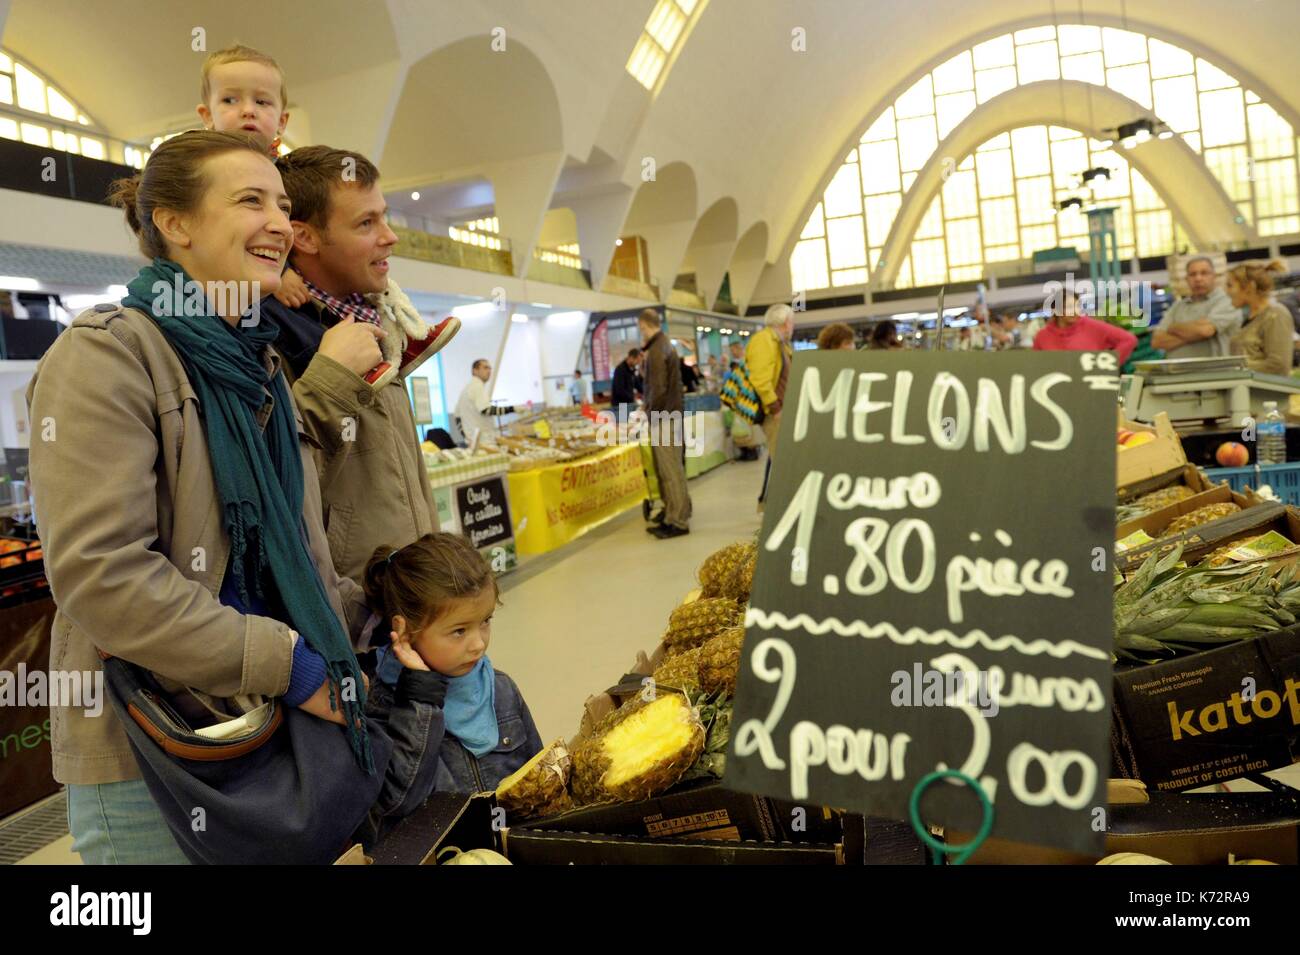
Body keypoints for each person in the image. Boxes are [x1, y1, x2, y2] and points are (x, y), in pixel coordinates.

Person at [26, 131, 374, 864]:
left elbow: (298, 556)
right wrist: (294, 664)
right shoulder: (107, 353)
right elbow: (104, 578)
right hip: (157, 756)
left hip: (269, 733)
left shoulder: (259, 365)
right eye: (250, 200)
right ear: (174, 223)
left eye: (283, 203)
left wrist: (380, 621)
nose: (280, 221)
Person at [261, 145, 446, 585]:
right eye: (366, 223)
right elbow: (275, 478)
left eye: (383, 216)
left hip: (414, 595)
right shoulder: (269, 334)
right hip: (353, 610)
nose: (390, 236)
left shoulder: (381, 320)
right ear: (303, 237)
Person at [360, 533, 541, 834]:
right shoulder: (379, 703)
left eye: (485, 621)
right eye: (459, 631)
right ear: (404, 630)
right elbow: (397, 802)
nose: (478, 645)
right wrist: (420, 694)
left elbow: (539, 777)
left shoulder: (501, 689)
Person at [639, 308, 692, 538]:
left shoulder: (658, 349)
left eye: (641, 329)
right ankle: (676, 513)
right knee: (673, 469)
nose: (641, 334)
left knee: (670, 470)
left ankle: (678, 521)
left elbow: (658, 388)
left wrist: (648, 409)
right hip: (671, 415)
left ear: (646, 326)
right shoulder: (663, 345)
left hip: (664, 417)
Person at [747, 304, 795, 508]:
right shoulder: (764, 341)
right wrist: (776, 409)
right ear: (786, 323)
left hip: (781, 411)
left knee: (782, 462)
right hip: (773, 414)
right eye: (792, 323)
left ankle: (776, 506)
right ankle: (779, 509)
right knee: (783, 463)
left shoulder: (779, 343)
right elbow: (760, 379)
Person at [1151, 256, 1242, 358]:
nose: (1198, 278)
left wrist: (1173, 327)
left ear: (1214, 276)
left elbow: (1205, 331)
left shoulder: (1227, 301)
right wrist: (1196, 332)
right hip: (1178, 372)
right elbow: (1157, 341)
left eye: (1204, 273)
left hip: (1216, 372)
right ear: (1186, 279)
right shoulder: (1178, 306)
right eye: (1192, 274)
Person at [1032, 288, 1137, 366]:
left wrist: (1108, 365)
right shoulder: (1042, 336)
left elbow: (1129, 340)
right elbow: (1035, 365)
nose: (1075, 311)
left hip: (1092, 389)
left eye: (1077, 306)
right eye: (1068, 307)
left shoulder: (1093, 326)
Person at [1227, 260, 1293, 376]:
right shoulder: (1248, 319)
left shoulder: (1275, 315)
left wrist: (1234, 368)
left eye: (1230, 285)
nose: (1226, 292)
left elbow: (1279, 365)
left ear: (1249, 287)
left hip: (1267, 393)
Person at [456, 358, 515, 443]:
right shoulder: (477, 386)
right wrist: (512, 409)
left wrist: (466, 436)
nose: (489, 371)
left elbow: (457, 416)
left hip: (473, 440)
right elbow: (486, 410)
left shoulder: (466, 389)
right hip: (484, 440)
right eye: (485, 367)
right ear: (475, 370)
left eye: (490, 368)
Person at [720, 343, 762, 462]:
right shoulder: (739, 366)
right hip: (742, 401)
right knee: (743, 429)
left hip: (747, 400)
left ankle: (751, 451)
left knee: (749, 429)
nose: (732, 352)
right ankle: (747, 451)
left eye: (733, 350)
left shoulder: (745, 365)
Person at [610, 347, 641, 421]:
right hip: (620, 405)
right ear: (631, 357)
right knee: (623, 427)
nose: (638, 363)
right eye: (637, 361)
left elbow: (637, 385)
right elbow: (620, 390)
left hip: (629, 404)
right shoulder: (620, 370)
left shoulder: (632, 370)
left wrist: (646, 393)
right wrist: (632, 398)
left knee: (630, 426)